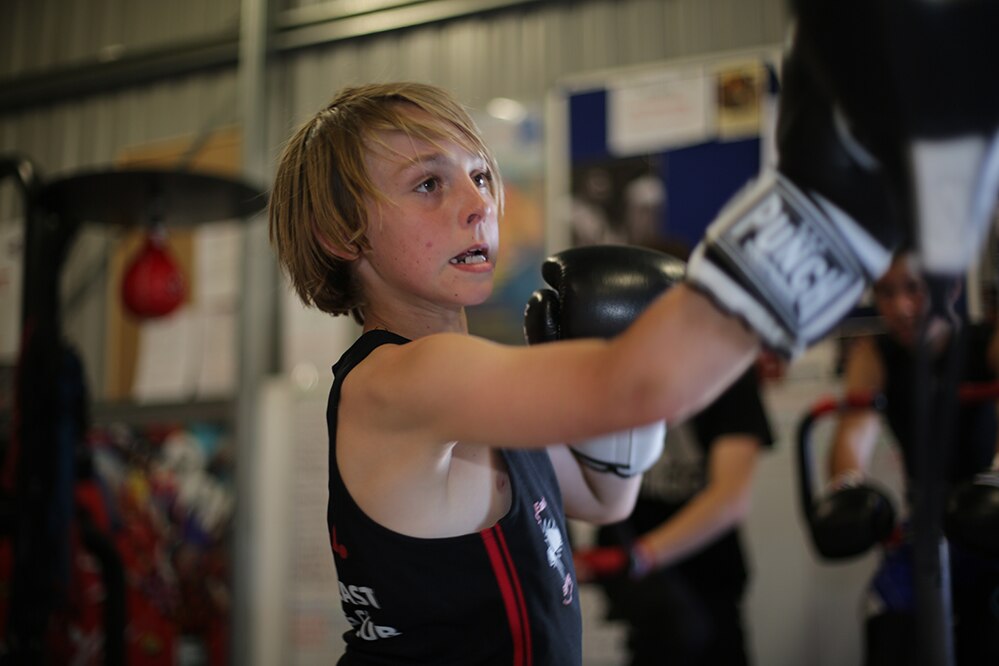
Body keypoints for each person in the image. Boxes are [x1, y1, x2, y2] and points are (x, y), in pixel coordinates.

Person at [264, 5, 985, 658]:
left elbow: (606, 498)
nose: (476, 205)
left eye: (481, 175)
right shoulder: (399, 381)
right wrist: (823, 218)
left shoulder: (474, 381)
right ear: (341, 232)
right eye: (429, 183)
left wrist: (610, 354)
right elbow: (640, 386)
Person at [827, 252, 999, 665]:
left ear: (951, 288)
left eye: (914, 289)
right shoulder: (876, 355)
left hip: (993, 528)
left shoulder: (986, 343)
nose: (900, 307)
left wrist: (996, 480)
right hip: (929, 531)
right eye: (886, 292)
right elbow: (855, 430)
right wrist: (848, 487)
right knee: (886, 617)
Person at [575, 365, 773, 666]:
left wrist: (638, 556)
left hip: (708, 570)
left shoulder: (728, 368)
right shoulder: (614, 362)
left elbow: (730, 498)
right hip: (637, 581)